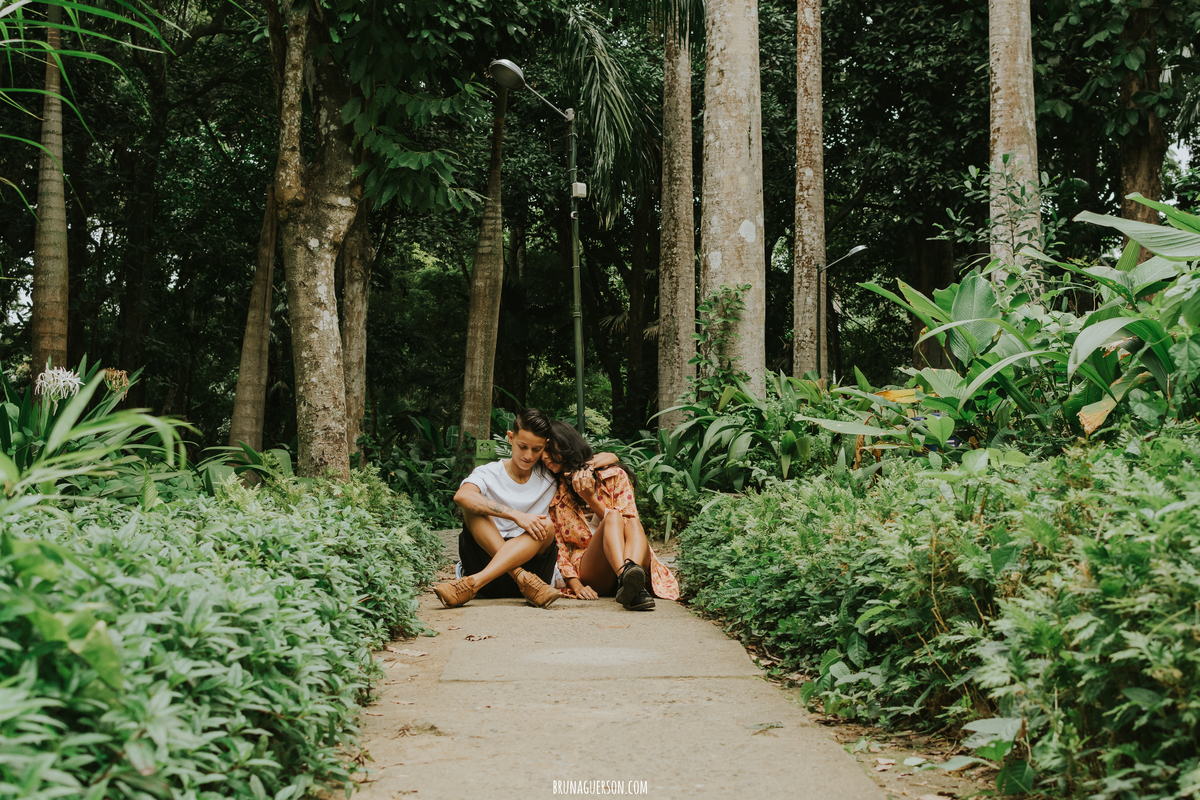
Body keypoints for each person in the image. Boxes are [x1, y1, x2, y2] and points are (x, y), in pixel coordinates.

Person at [432, 408, 562, 609]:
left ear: (545, 446)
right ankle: (520, 576)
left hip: (535, 569)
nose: (528, 455)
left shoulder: (550, 473)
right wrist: (516, 515)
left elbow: (588, 461)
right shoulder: (488, 472)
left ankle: (472, 584)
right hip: (496, 568)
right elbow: (462, 496)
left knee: (547, 526)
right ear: (510, 438)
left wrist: (609, 457)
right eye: (523, 446)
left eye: (536, 449)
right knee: (473, 507)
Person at [542, 421, 680, 611]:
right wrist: (575, 584)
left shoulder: (615, 476)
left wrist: (590, 498)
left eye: (549, 449)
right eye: (543, 450)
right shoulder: (555, 492)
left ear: (566, 445)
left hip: (632, 556)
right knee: (613, 517)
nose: (544, 456)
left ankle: (631, 585)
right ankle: (628, 580)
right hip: (593, 567)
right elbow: (559, 547)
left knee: (627, 521)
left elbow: (630, 527)